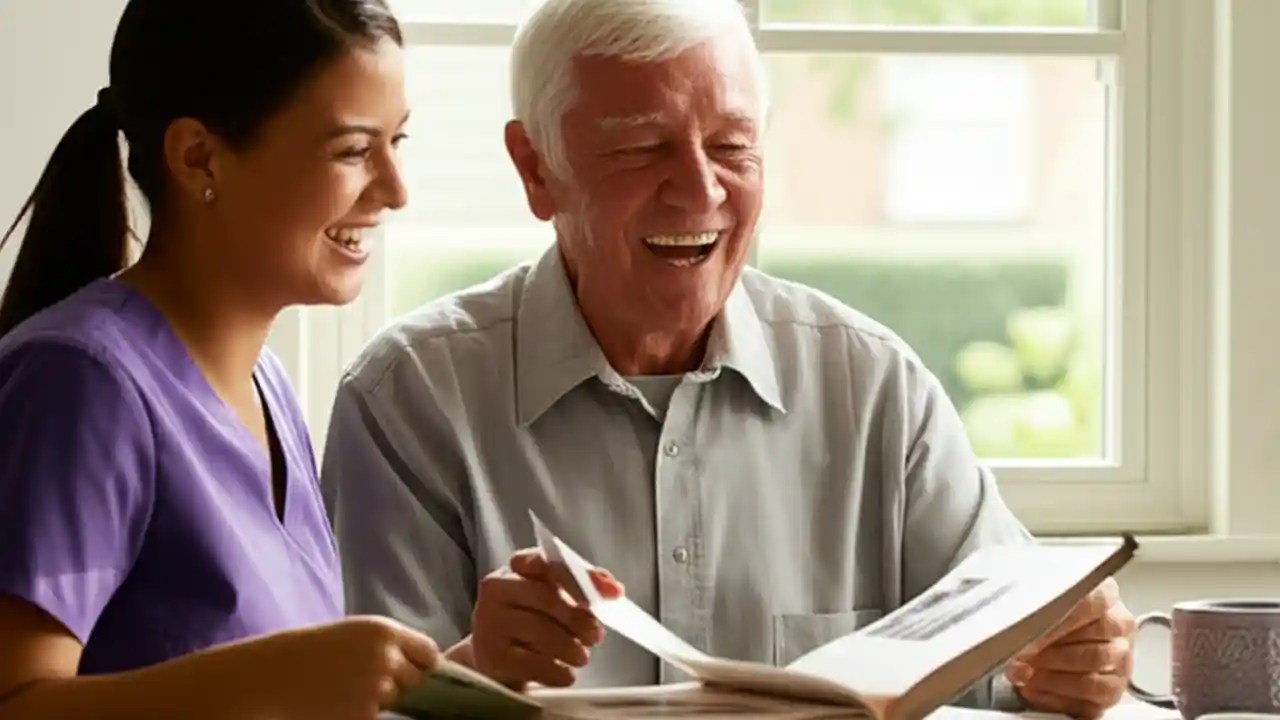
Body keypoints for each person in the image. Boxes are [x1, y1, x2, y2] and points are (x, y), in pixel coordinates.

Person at [321, 0, 1136, 716]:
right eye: (643, 149)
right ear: (538, 169)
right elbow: (360, 710)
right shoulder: (409, 403)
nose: (701, 190)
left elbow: (1017, 652)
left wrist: (1075, 662)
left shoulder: (874, 387)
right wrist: (473, 671)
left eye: (733, 146)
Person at [0, 1, 441, 718]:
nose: (395, 190)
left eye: (398, 142)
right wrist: (285, 677)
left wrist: (460, 671)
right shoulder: (80, 381)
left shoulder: (265, 384)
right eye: (355, 150)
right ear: (199, 158)